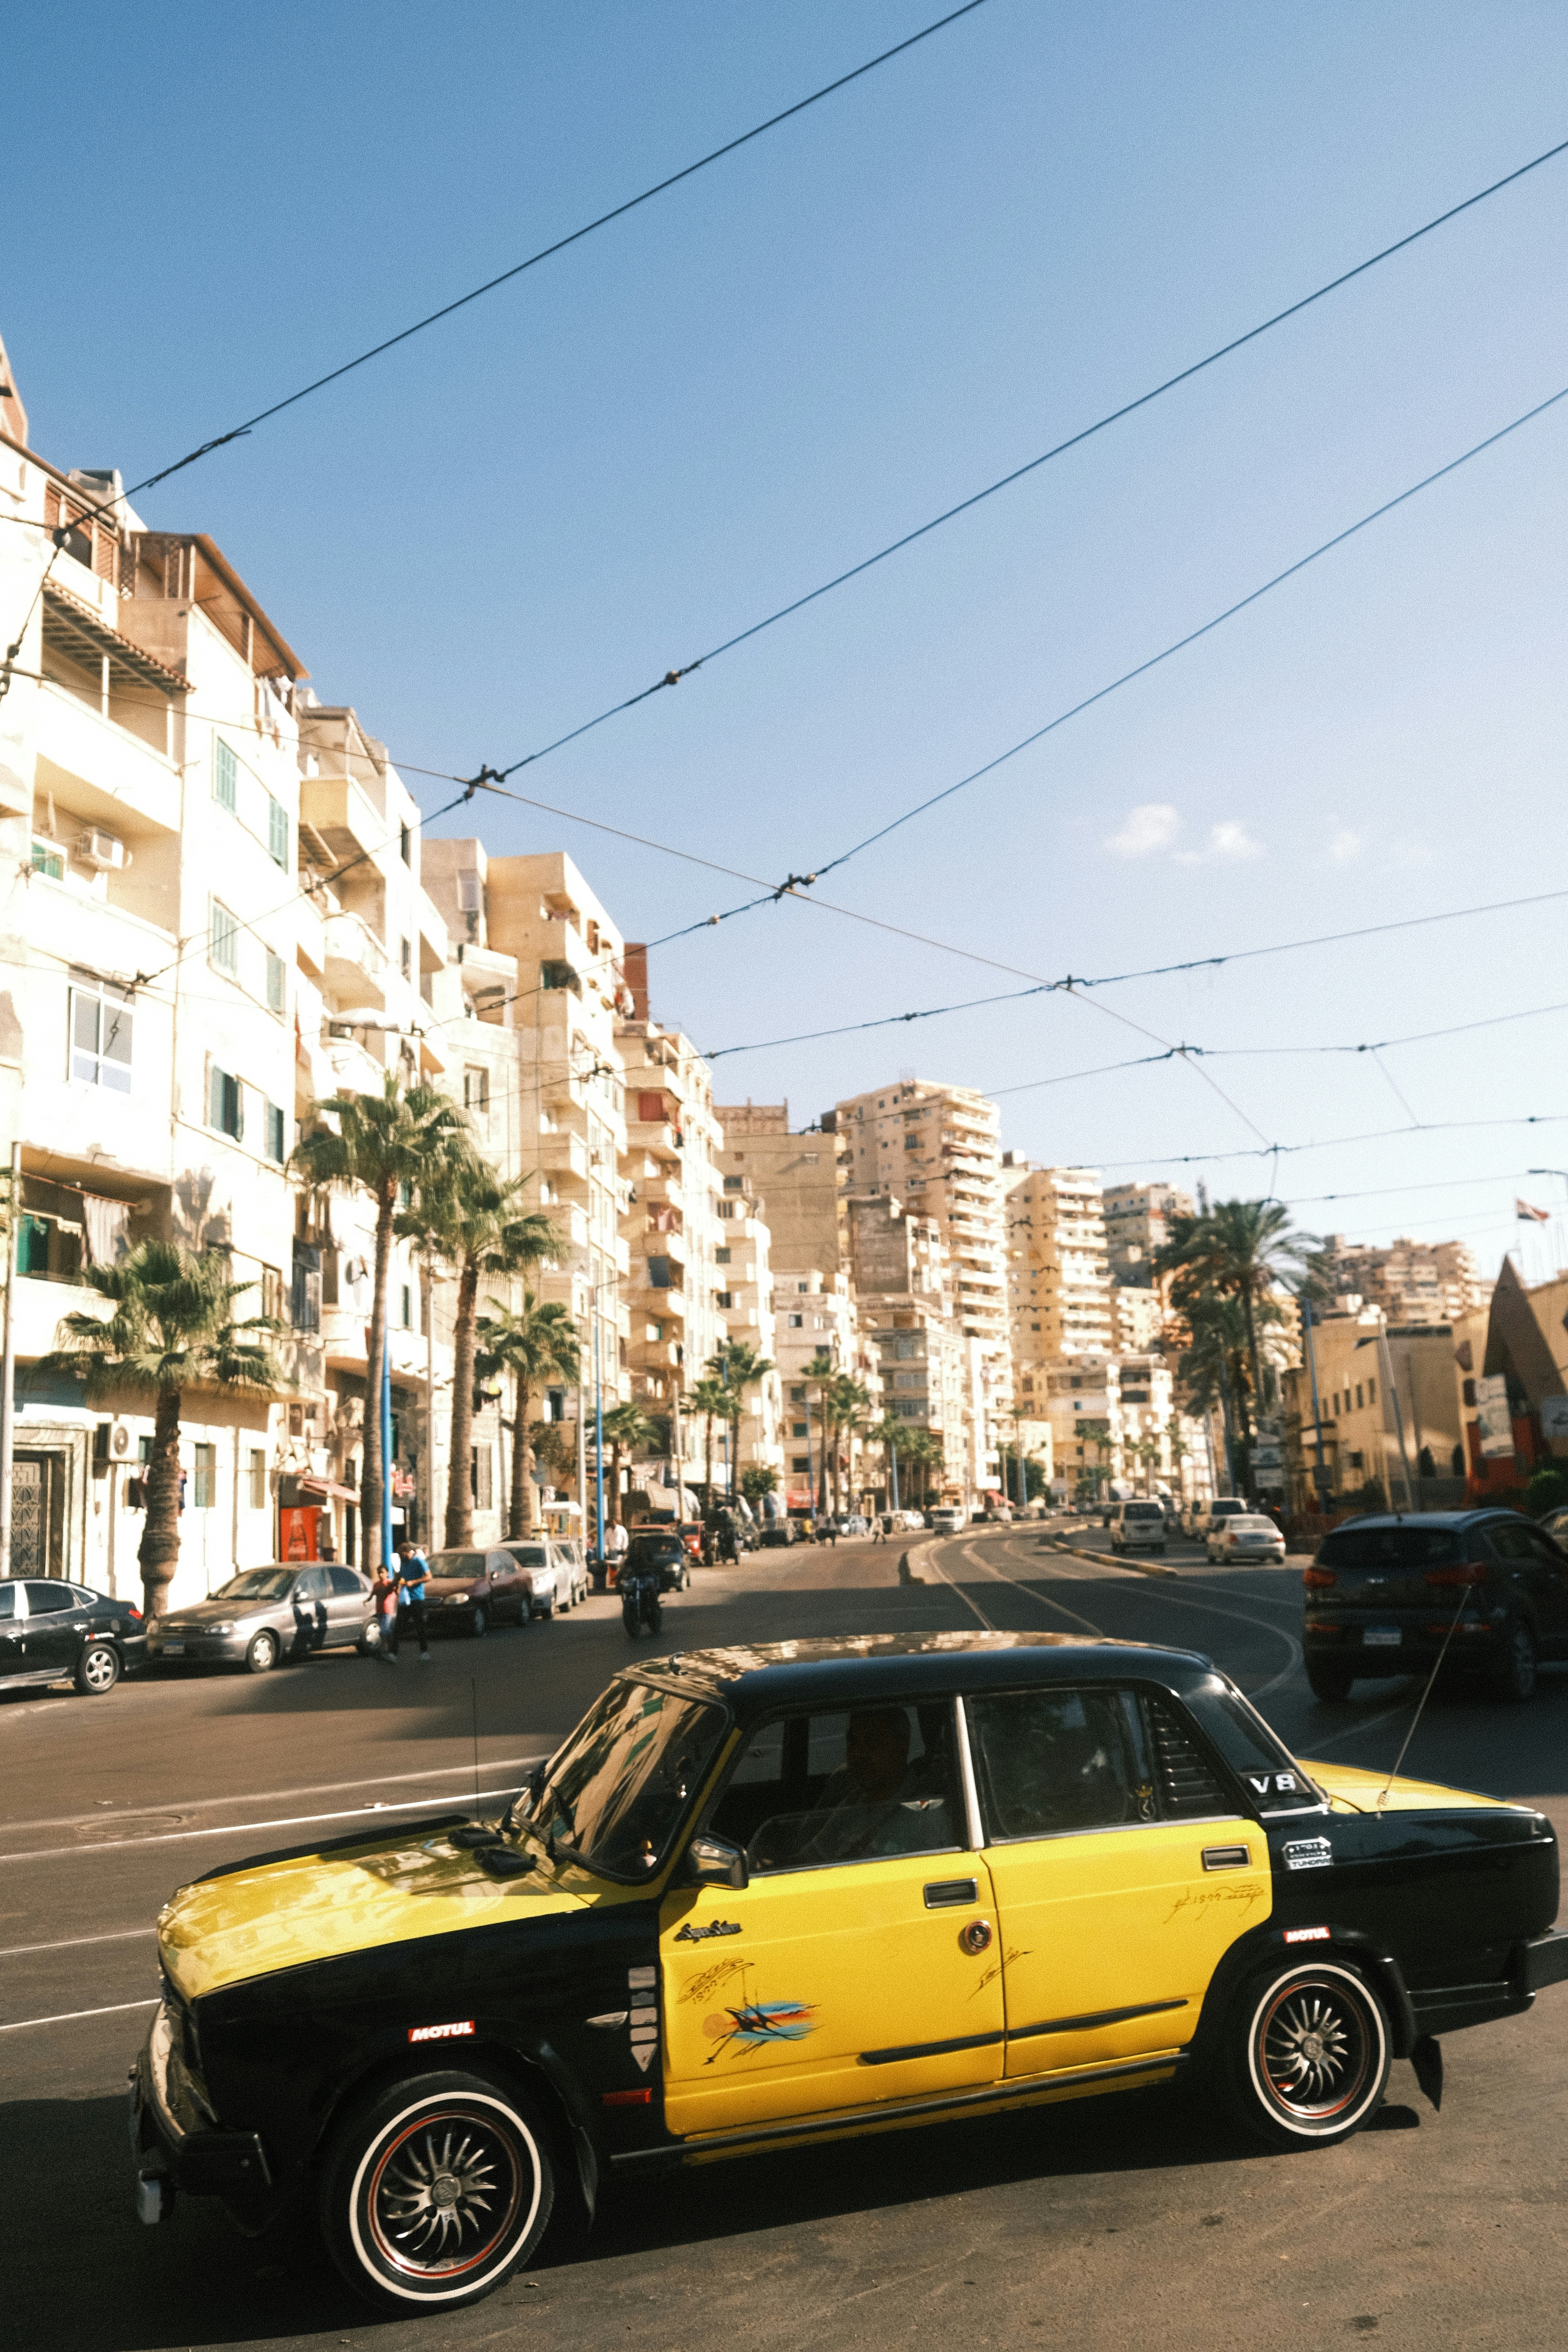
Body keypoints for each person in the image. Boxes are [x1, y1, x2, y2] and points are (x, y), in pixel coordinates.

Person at [390, 1538, 431, 1662]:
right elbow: (400, 1575)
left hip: (417, 1599)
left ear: (408, 1552)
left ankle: (424, 1652)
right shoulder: (403, 1563)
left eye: (402, 1555)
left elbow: (429, 1577)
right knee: (398, 1626)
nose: (401, 1557)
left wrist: (414, 1582)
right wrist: (395, 1584)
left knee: (420, 1627)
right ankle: (393, 1654)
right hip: (405, 1599)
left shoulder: (419, 1562)